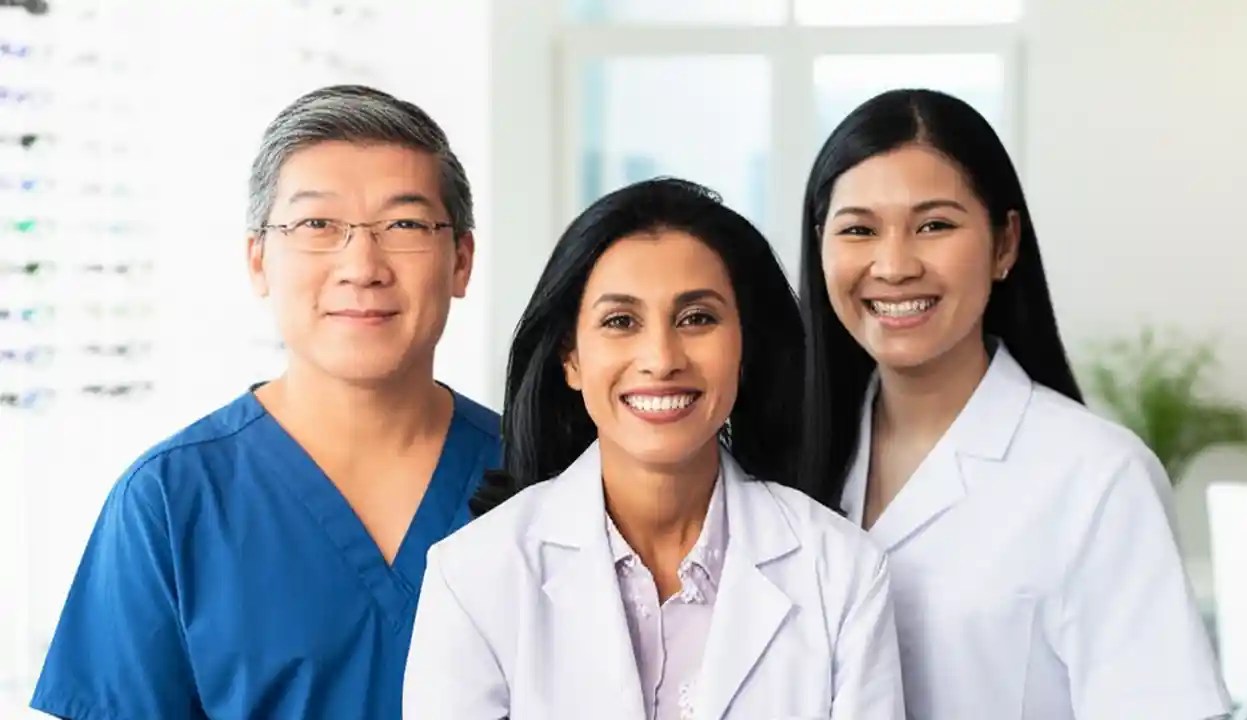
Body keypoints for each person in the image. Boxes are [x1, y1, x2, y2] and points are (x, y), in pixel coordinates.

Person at [30, 85, 501, 719]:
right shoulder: (170, 501)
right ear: (258, 261)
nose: (362, 265)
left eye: (404, 225)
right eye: (317, 225)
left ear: (461, 260)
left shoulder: (545, 477)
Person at [796, 88, 1232, 719]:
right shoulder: (789, 461)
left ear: (1004, 244)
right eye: (859, 230)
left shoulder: (1098, 476)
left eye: (934, 225)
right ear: (821, 247)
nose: (892, 265)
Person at [402, 178, 905, 719]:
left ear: (745, 348)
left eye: (697, 319)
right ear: (571, 358)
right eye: (621, 322)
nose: (661, 358)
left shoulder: (841, 570)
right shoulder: (476, 574)